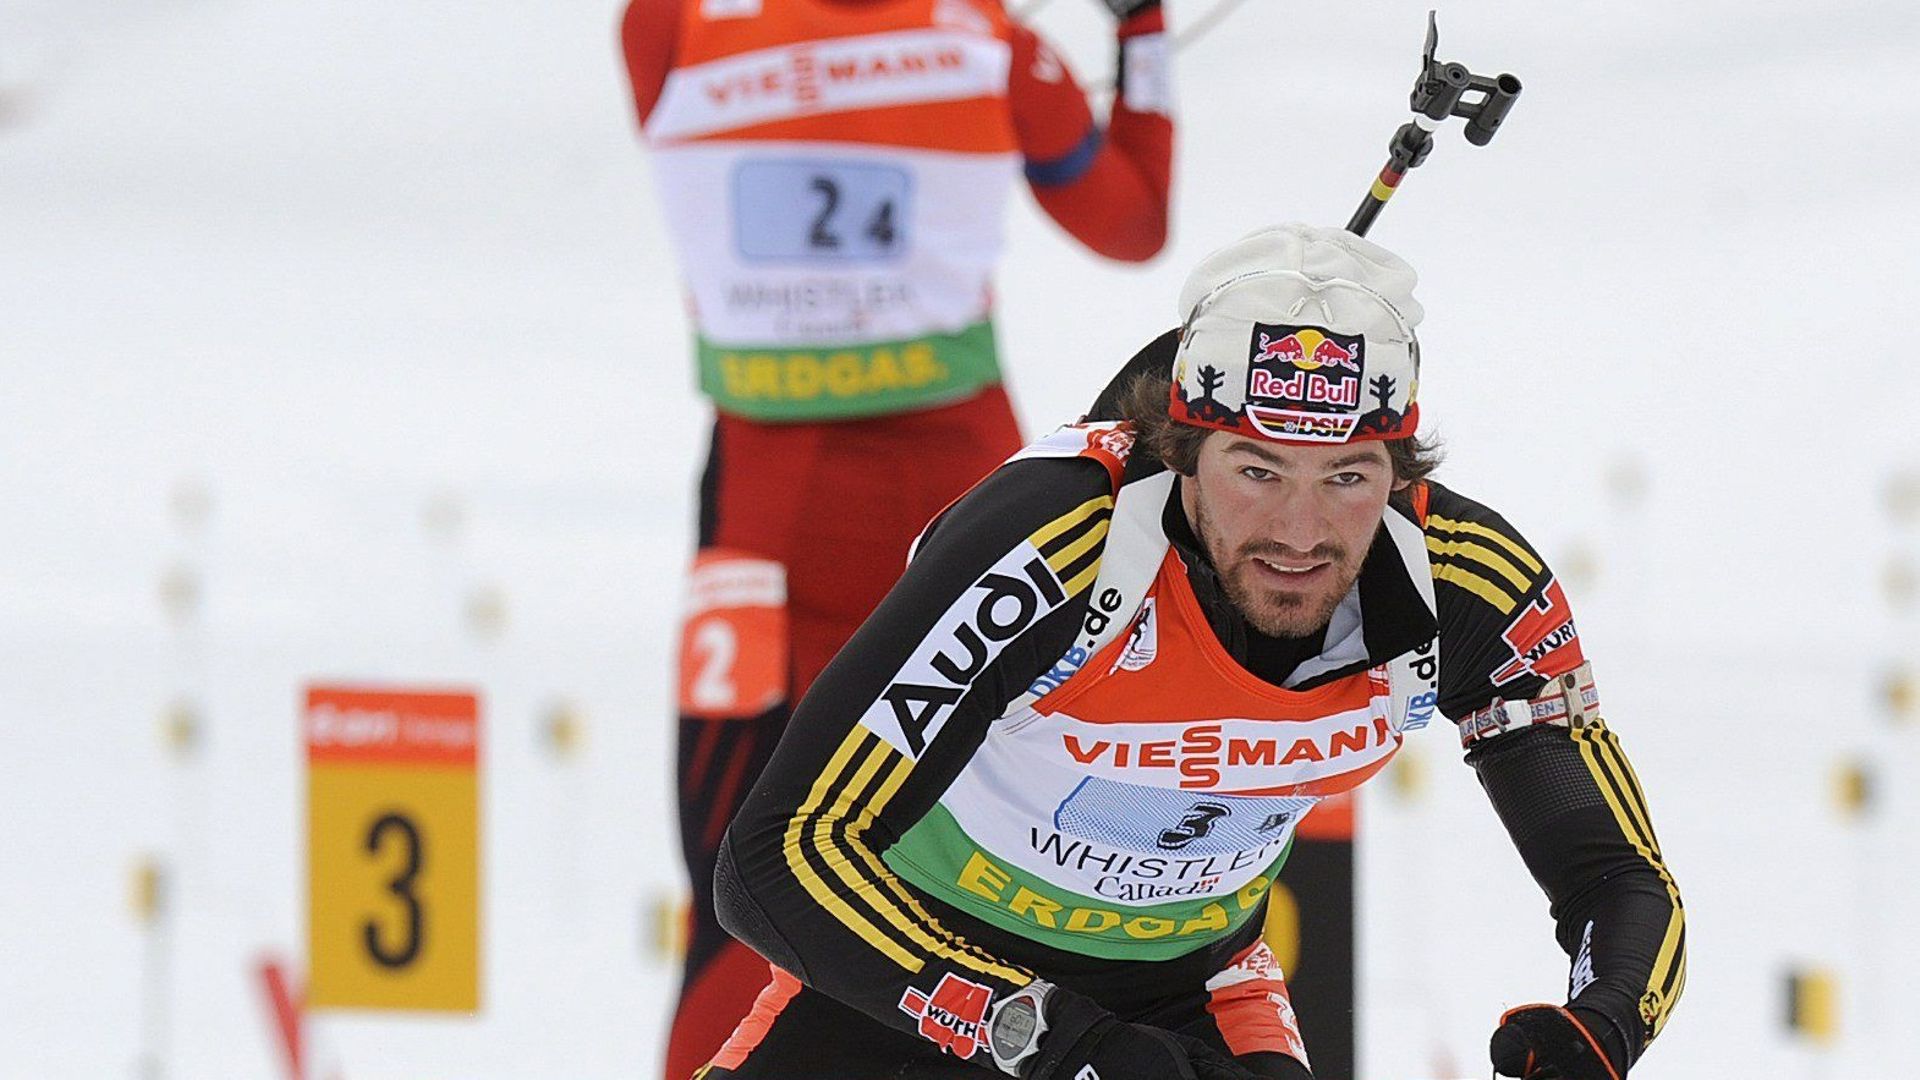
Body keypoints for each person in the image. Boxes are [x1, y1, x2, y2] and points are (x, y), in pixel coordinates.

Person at [703, 223, 1686, 1079]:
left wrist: (1601, 1031)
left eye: (1349, 476)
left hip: (1185, 1001)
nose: (1303, 533)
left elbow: (1619, 878)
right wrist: (1042, 1034)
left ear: (1399, 468)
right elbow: (777, 857)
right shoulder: (1061, 545)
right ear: (1181, 452)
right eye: (1258, 469)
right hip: (917, 976)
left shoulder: (1466, 582)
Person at [619, 0, 1177, 1074]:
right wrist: (1140, 36)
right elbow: (1133, 221)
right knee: (972, 870)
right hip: (966, 510)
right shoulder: (992, 42)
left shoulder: (670, 26)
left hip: (760, 519)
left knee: (741, 885)